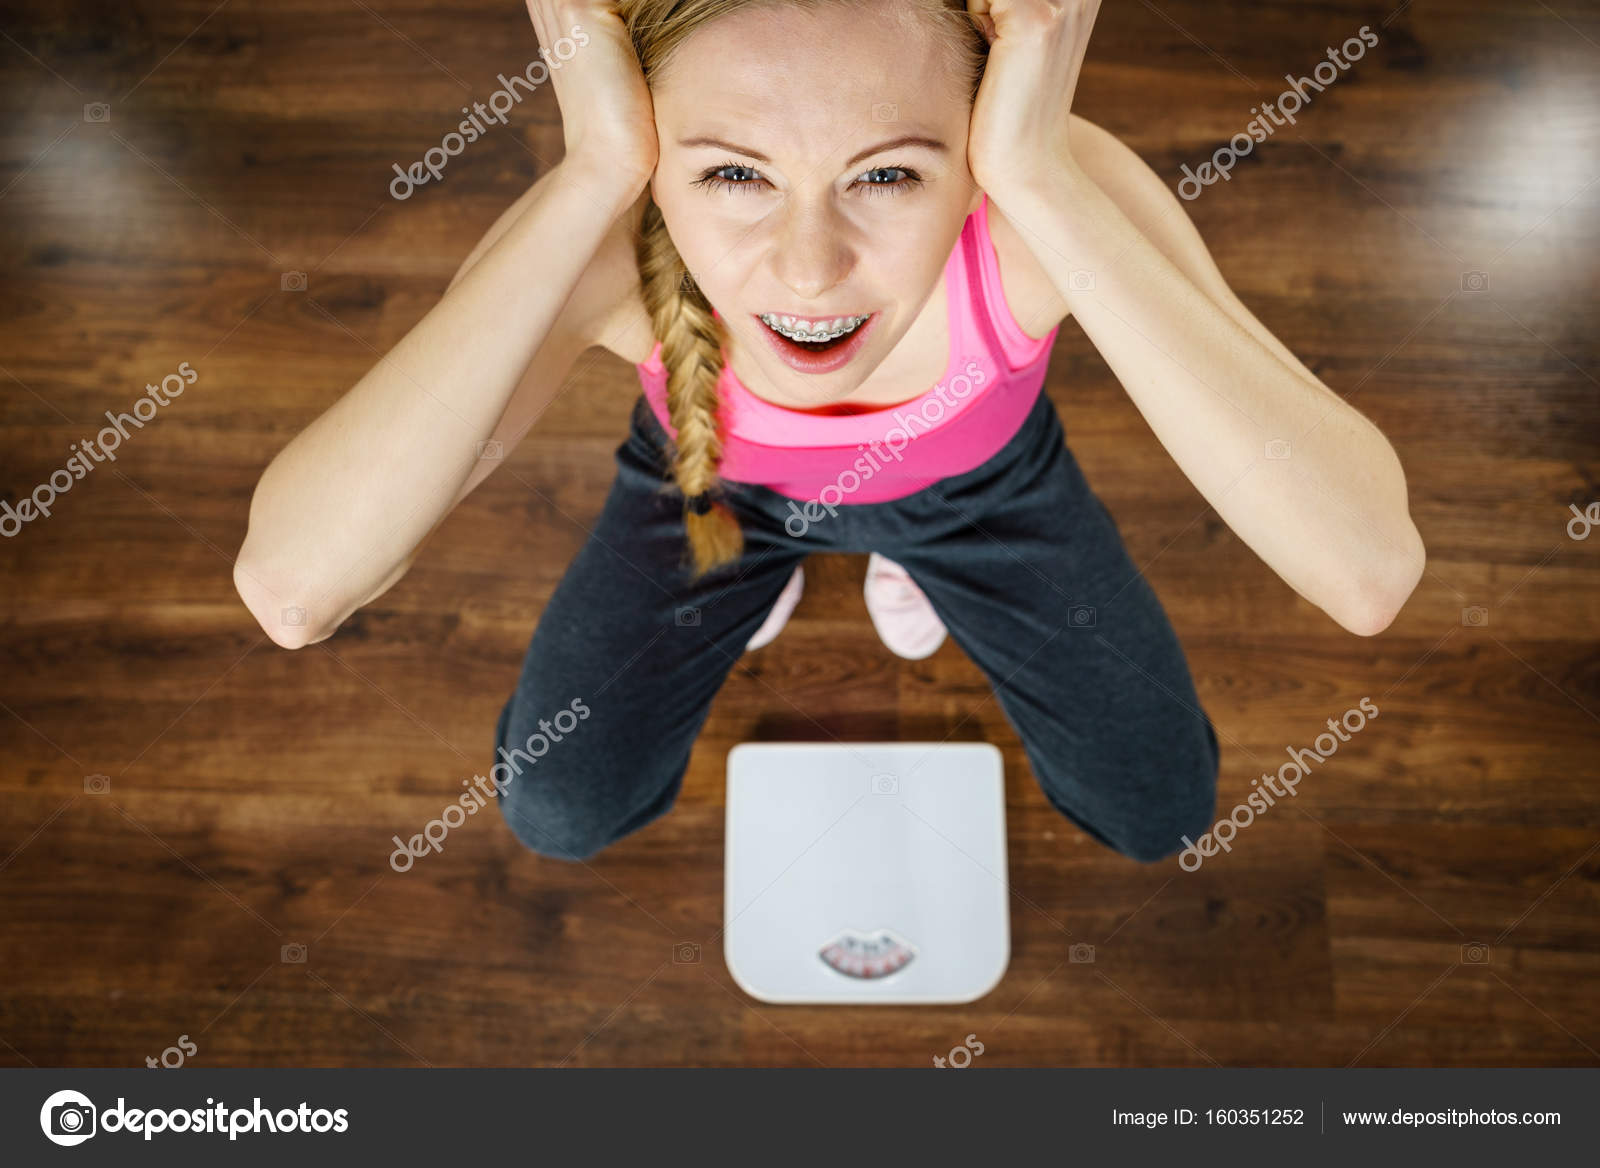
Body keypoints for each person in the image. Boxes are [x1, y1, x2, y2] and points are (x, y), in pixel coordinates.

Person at [233, 0, 1424, 866]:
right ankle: (785, 562)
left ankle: (898, 550)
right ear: (656, 157)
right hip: (709, 488)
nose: (808, 271)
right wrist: (596, 166)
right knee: (556, 807)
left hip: (983, 491)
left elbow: (1364, 568)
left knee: (1163, 810)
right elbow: (295, 587)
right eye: (735, 176)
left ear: (973, 152)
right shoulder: (613, 225)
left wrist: (1040, 174)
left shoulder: (1035, 189)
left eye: (891, 177)